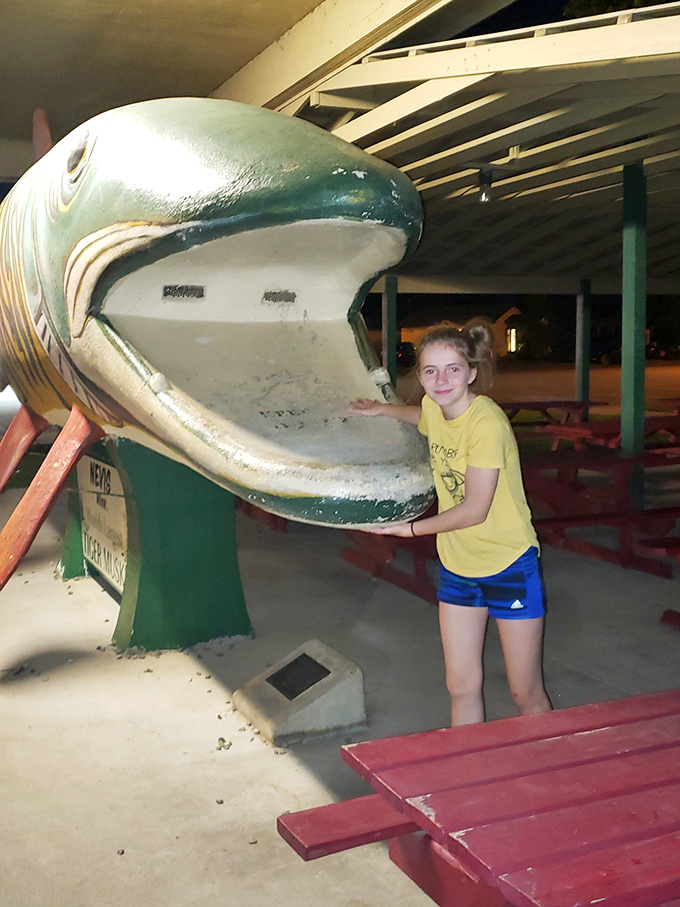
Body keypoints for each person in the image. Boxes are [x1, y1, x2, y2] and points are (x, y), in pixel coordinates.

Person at [350, 319, 551, 726]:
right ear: (420, 375)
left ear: (472, 372)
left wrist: (405, 529)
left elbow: (475, 509)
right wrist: (381, 409)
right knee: (460, 685)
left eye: (453, 369)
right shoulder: (432, 408)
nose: (441, 380)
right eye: (430, 371)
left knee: (523, 691)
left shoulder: (487, 424)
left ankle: (551, 770)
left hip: (508, 564)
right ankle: (469, 773)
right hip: (459, 567)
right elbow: (421, 416)